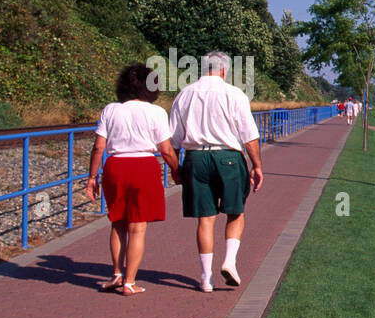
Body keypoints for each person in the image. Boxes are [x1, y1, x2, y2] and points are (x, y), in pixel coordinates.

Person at [169, 51, 264, 293]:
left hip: (195, 158)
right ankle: (229, 262)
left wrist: (175, 168)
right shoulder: (234, 94)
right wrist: (257, 166)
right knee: (235, 212)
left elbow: (174, 141)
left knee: (205, 218)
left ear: (203, 69)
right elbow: (249, 137)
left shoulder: (185, 94)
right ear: (224, 70)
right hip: (228, 157)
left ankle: (205, 277)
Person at [85, 64, 181, 295]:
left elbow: (99, 147)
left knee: (117, 223)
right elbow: (166, 149)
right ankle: (130, 282)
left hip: (115, 166)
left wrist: (91, 178)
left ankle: (116, 274)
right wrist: (177, 171)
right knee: (137, 227)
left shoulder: (110, 110)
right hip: (144, 167)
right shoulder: (156, 112)